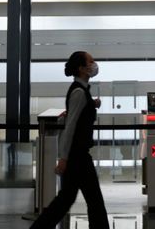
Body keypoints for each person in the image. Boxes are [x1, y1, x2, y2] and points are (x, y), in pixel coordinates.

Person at [30, 51, 108, 229]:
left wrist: (92, 104)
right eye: (90, 61)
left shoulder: (81, 91)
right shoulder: (79, 93)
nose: (94, 64)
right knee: (92, 200)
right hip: (77, 156)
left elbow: (74, 117)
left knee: (66, 200)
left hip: (77, 156)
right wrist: (63, 158)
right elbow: (70, 126)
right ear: (82, 68)